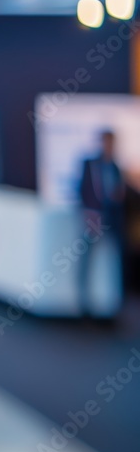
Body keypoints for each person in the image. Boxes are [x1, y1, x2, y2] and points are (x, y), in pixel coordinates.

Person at [78, 129, 126, 318]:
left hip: (113, 219)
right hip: (94, 218)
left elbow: (119, 194)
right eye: (106, 142)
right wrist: (89, 214)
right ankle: (85, 305)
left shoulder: (115, 166)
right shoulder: (90, 164)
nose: (109, 146)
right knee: (87, 261)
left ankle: (115, 304)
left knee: (115, 261)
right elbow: (82, 190)